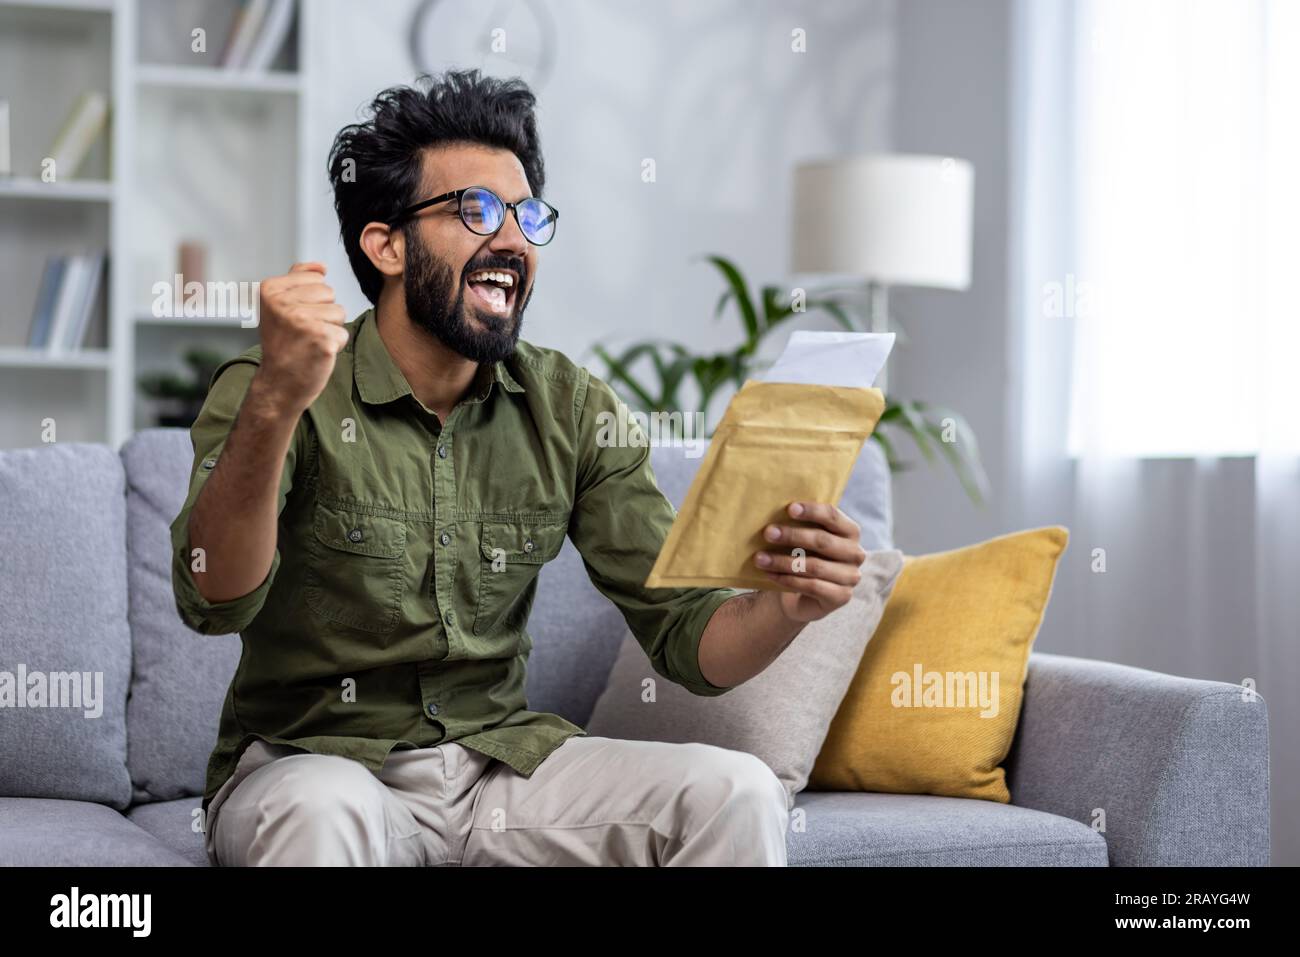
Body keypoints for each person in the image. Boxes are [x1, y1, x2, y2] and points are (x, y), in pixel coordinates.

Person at [170, 69, 869, 867]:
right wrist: (274, 401)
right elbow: (210, 596)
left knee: (734, 791)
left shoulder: (568, 406)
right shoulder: (279, 388)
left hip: (499, 771)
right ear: (386, 244)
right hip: (314, 765)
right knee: (320, 810)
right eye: (475, 211)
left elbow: (686, 636)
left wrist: (786, 605)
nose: (511, 239)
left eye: (526, 215)